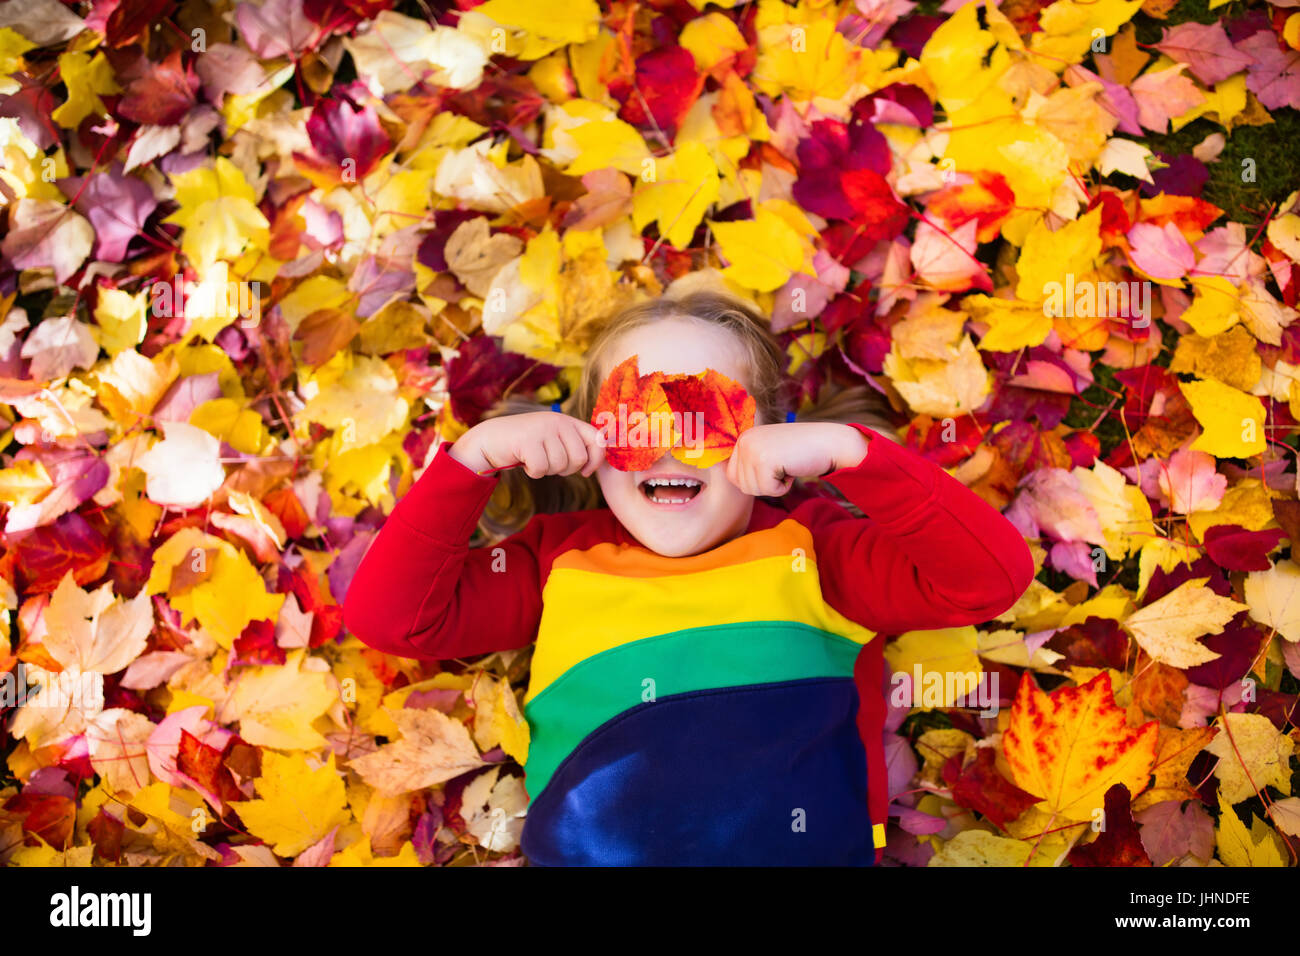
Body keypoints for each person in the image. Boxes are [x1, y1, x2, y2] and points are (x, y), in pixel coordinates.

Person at [342, 287, 1036, 866]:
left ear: (772, 437)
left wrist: (856, 456)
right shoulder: (551, 561)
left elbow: (989, 579)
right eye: (636, 415)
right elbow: (391, 620)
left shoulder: (817, 554)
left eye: (707, 415)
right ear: (586, 440)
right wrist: (471, 463)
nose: (670, 445)